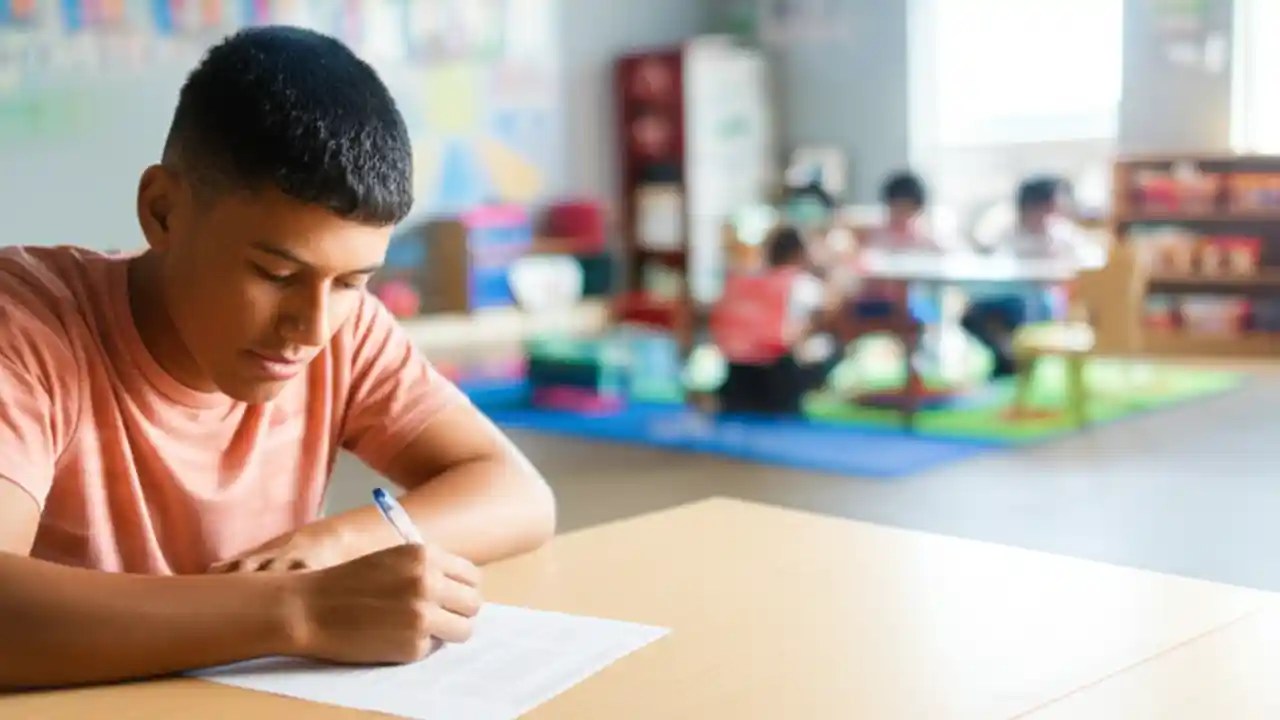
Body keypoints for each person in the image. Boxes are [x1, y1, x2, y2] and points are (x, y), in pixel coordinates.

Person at [0, 26, 555, 689]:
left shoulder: (344, 331)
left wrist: (339, 542)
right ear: (163, 211)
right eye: (275, 274)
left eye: (353, 281)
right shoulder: (28, 325)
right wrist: (300, 610)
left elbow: (519, 494)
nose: (312, 327)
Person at [960, 175, 1082, 378]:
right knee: (972, 315)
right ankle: (1006, 356)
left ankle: (1020, 361)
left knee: (1027, 307)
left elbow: (1084, 263)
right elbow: (989, 256)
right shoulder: (1007, 231)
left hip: (1043, 300)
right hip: (1006, 295)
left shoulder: (1062, 235)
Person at [710, 227, 836, 415]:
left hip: (735, 373)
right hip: (776, 376)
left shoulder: (743, 282)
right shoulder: (801, 284)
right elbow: (831, 305)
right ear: (799, 254)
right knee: (830, 347)